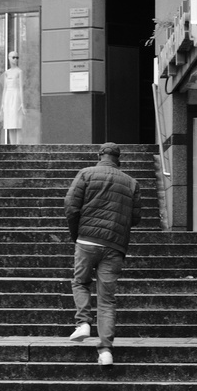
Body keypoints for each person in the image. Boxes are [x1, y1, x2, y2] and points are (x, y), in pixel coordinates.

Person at [64, 142, 141, 366]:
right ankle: (106, 350)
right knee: (107, 300)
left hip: (87, 240)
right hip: (115, 245)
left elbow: (70, 205)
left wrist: (76, 233)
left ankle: (83, 323)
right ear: (119, 159)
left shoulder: (86, 173)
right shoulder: (132, 183)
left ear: (100, 155)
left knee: (80, 282)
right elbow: (135, 218)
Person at [1, 50, 25, 144]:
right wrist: (2, 103)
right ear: (9, 58)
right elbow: (5, 88)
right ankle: (11, 145)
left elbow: (20, 88)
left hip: (16, 96)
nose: (15, 59)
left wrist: (22, 103)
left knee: (17, 122)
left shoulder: (19, 72)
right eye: (13, 57)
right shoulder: (6, 73)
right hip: (8, 97)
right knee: (10, 123)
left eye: (17, 57)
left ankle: (18, 145)